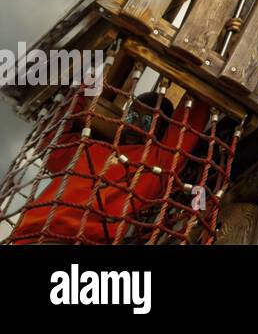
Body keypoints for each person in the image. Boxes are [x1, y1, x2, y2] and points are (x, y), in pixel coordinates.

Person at [10, 90, 212, 244]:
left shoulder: (157, 161)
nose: (136, 125)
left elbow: (192, 112)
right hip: (31, 235)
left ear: (162, 129)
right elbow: (52, 137)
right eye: (132, 116)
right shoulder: (85, 148)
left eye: (148, 121)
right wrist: (86, 84)